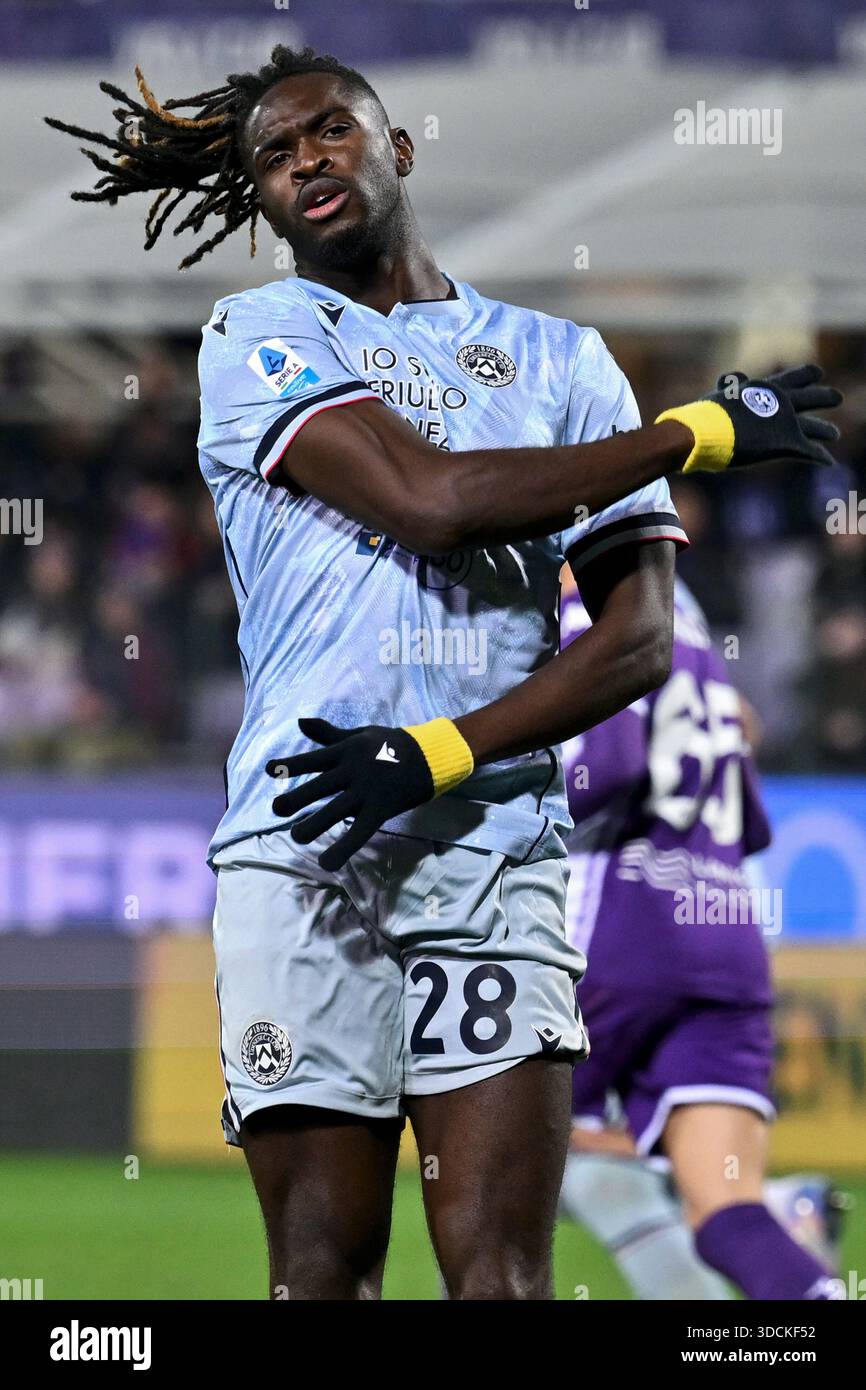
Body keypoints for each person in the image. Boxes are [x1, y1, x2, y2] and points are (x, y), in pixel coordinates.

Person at [46, 45, 841, 1300]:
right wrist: (687, 430)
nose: (304, 159)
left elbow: (634, 643)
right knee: (321, 1272)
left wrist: (437, 751)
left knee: (500, 1278)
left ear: (397, 148)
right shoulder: (257, 335)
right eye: (272, 154)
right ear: (257, 198)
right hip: (305, 842)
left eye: (329, 132)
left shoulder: (563, 360)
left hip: (493, 847)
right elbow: (431, 502)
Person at [557, 575, 843, 1300]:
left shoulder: (585, 598)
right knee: (725, 1207)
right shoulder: (678, 606)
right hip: (727, 927)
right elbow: (751, 809)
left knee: (491, 1165)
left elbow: (610, 760)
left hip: (619, 921)